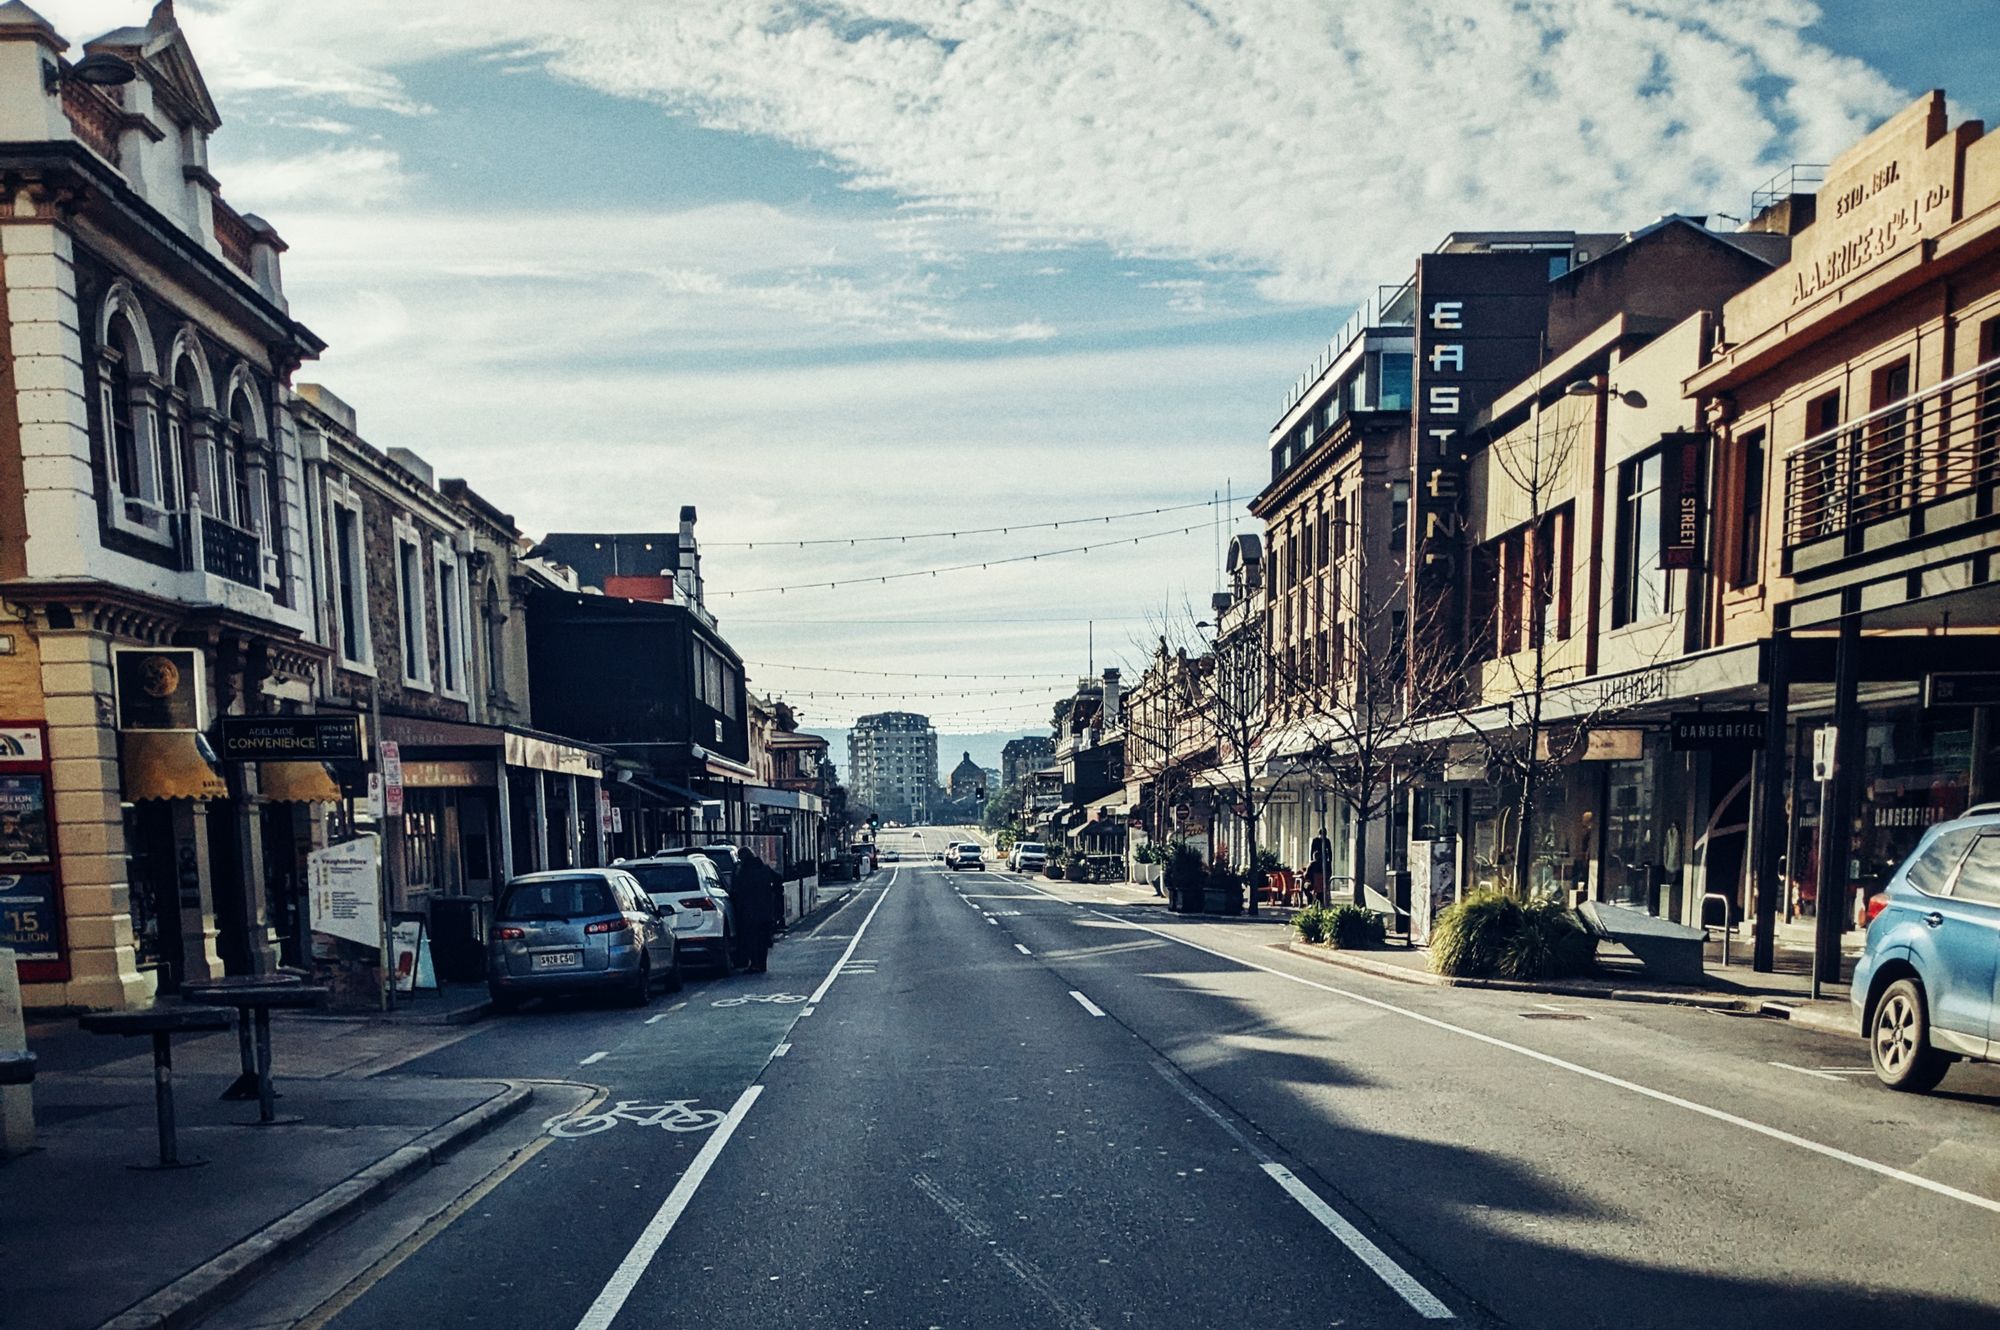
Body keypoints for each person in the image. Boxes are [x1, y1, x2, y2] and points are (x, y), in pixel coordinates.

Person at [732, 850, 781, 973]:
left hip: (750, 912)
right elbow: (778, 879)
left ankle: (755, 964)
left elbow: (738, 891)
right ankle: (762, 964)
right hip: (766, 910)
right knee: (763, 939)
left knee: (752, 939)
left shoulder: (743, 872)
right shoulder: (764, 869)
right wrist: (772, 893)